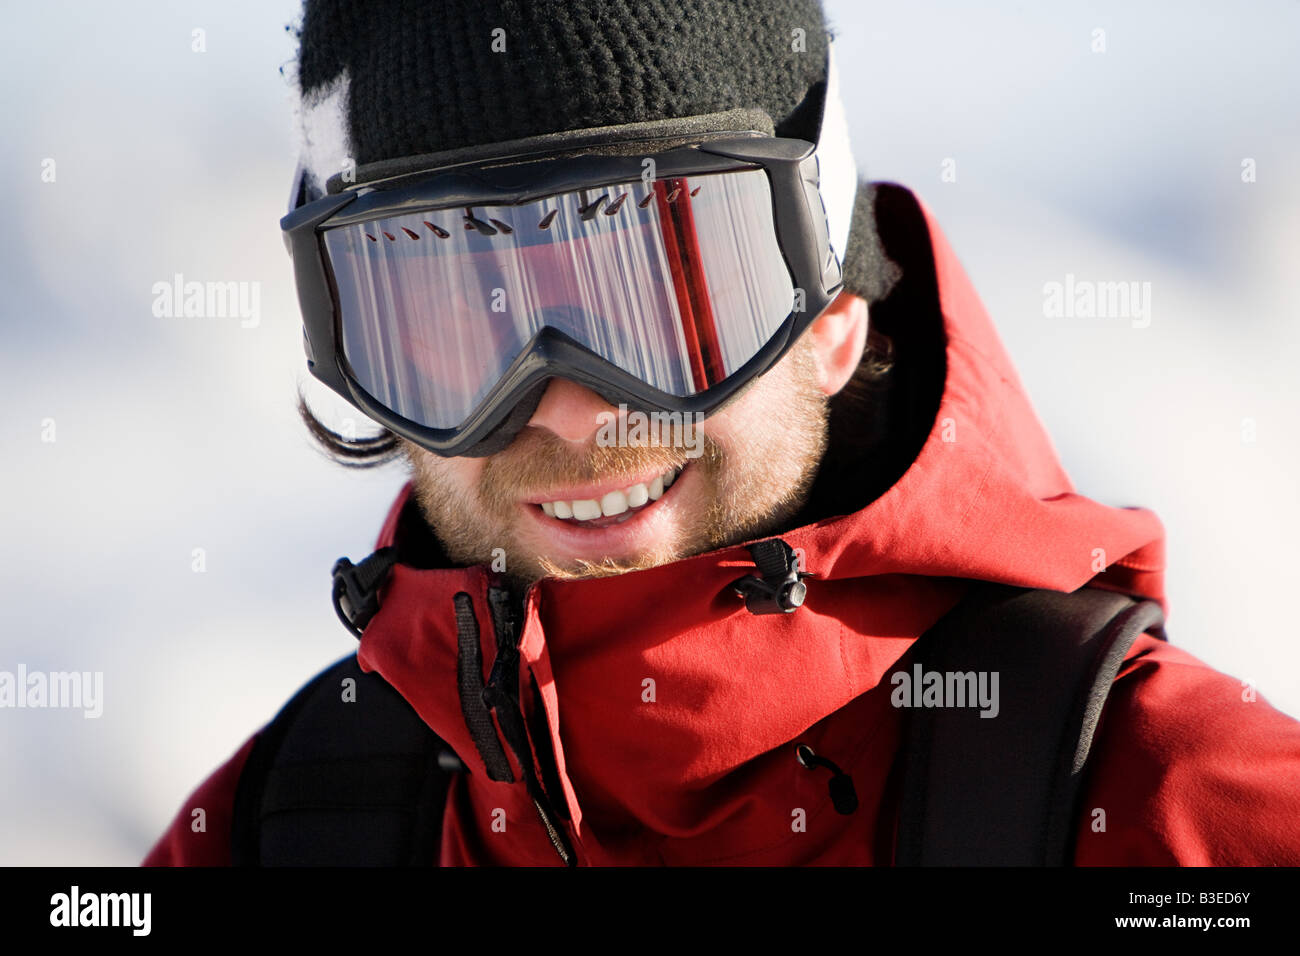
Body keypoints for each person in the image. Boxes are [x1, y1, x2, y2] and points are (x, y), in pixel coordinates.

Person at [144, 0, 1300, 866]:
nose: (571, 406)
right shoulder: (280, 830)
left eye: (664, 294)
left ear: (835, 310)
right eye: (454, 314)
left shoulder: (1178, 815)